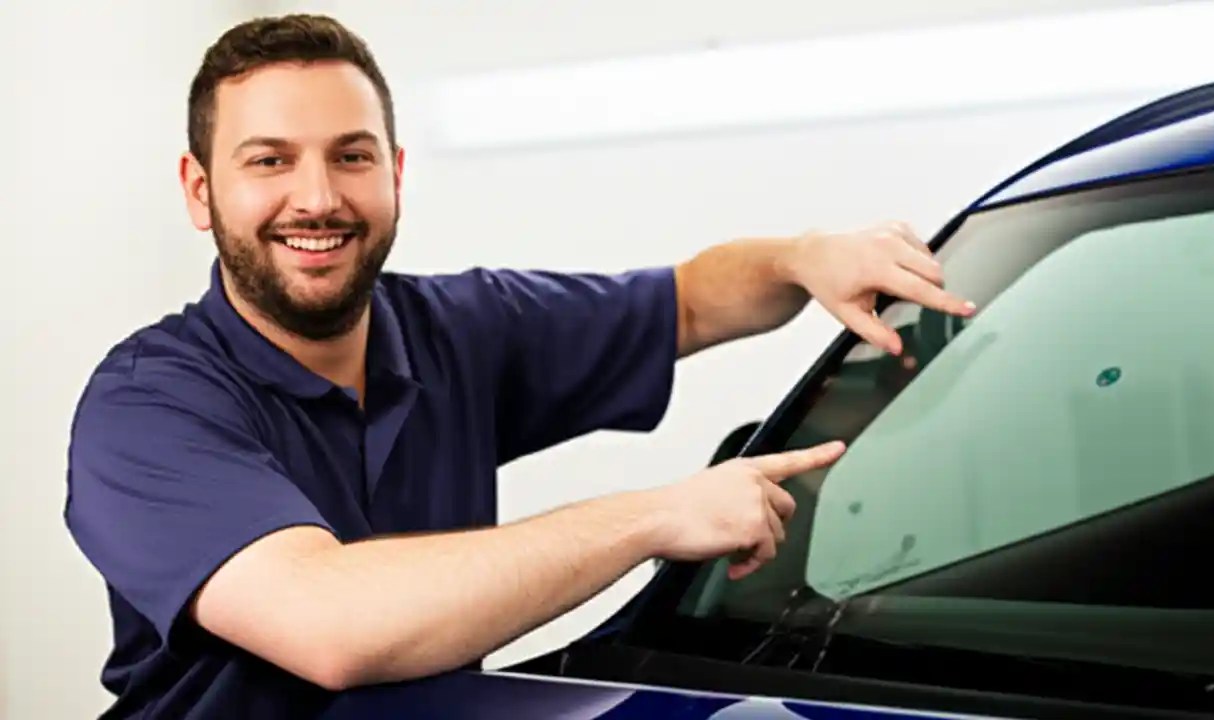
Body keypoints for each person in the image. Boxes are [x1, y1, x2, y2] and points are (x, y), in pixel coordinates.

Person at [63, 13, 975, 720]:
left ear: (395, 174)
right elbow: (330, 624)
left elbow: (691, 300)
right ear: (199, 190)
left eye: (352, 157)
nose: (318, 197)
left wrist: (800, 257)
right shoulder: (148, 408)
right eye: (270, 161)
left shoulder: (460, 327)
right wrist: (655, 515)